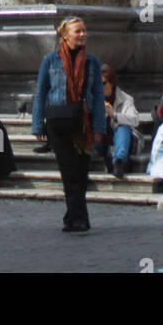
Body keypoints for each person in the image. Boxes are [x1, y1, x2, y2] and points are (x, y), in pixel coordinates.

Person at [32, 16, 106, 233]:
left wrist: (99, 127)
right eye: (78, 31)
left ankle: (72, 216)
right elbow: (41, 92)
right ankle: (79, 219)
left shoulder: (92, 61)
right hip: (57, 120)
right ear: (65, 35)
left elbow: (98, 95)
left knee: (82, 171)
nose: (83, 34)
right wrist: (37, 124)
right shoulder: (50, 60)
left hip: (83, 121)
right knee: (69, 171)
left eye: (84, 30)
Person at [100, 64, 142, 178]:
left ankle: (119, 161)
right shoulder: (93, 99)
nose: (100, 87)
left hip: (119, 139)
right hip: (100, 139)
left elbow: (135, 120)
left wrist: (114, 115)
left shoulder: (125, 99)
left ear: (112, 83)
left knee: (123, 127)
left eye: (103, 84)